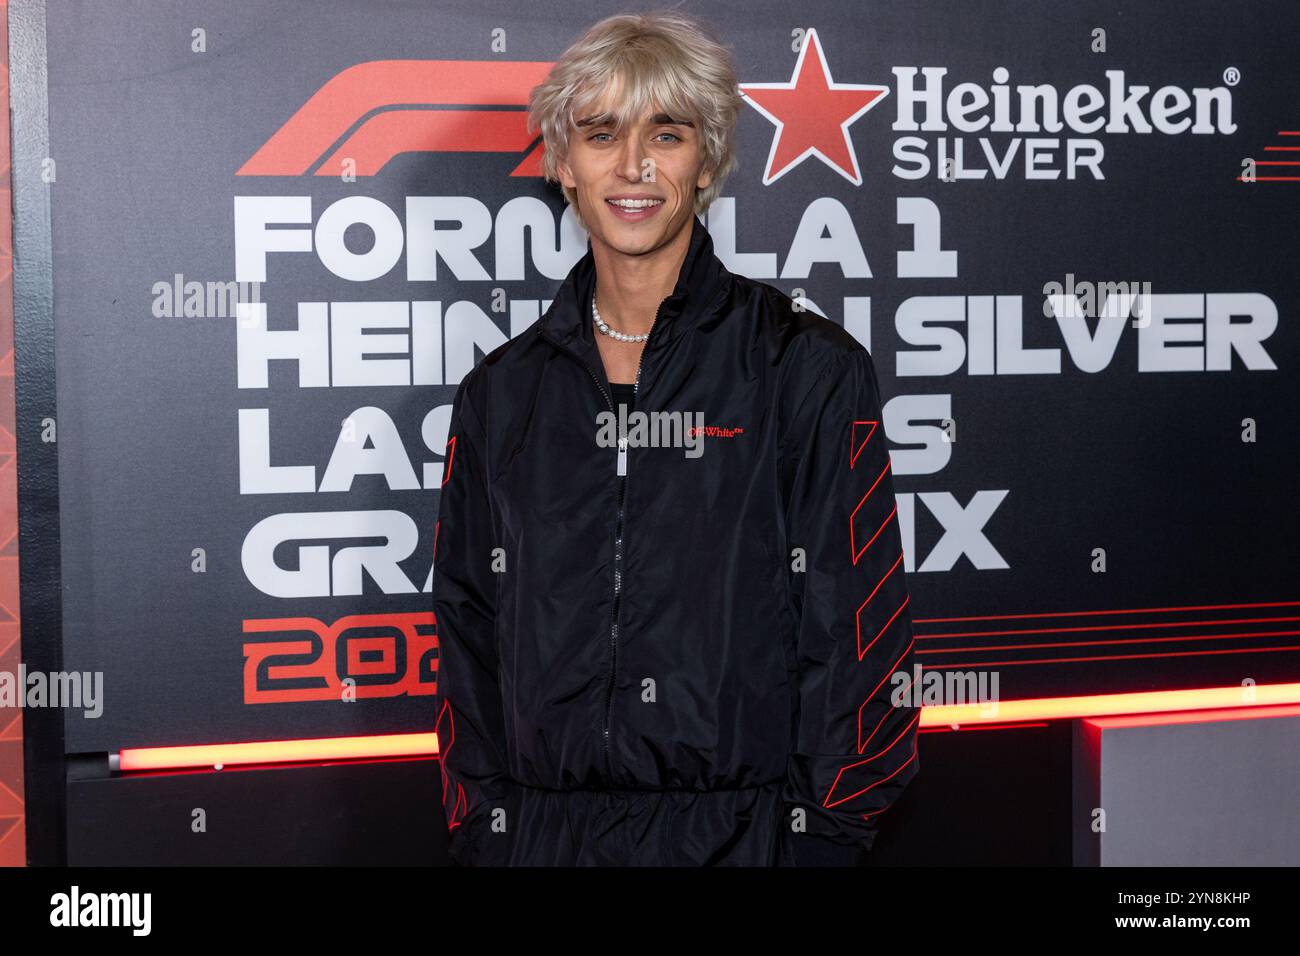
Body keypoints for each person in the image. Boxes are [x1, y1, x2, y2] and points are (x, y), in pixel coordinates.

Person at [433, 10, 919, 866]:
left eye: (666, 133)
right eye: (600, 133)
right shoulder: (502, 395)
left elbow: (860, 645)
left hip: (747, 841)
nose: (633, 166)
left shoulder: (803, 370)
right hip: (544, 845)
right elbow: (467, 633)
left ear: (706, 162)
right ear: (562, 164)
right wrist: (488, 828)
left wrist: (817, 842)